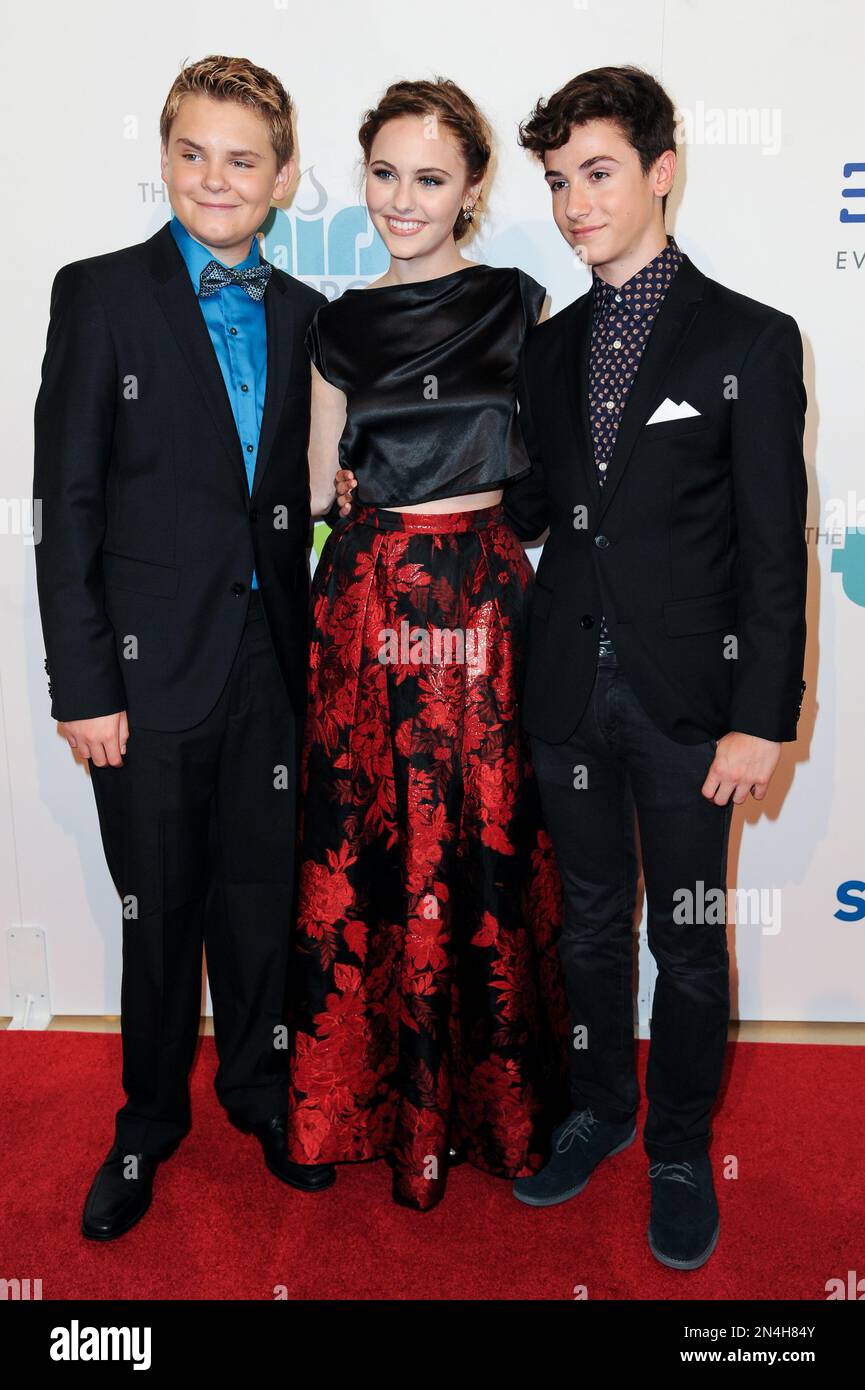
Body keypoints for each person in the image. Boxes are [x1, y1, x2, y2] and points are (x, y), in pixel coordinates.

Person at [499, 66, 807, 1269]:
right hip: (567, 691)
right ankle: (600, 1111)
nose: (576, 202)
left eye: (599, 172)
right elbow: (529, 502)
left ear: (661, 170)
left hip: (694, 708)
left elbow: (775, 551)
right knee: (584, 926)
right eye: (559, 180)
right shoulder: (549, 343)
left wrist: (759, 716)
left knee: (684, 932)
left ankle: (679, 1145)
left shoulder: (751, 337)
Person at [33, 55, 326, 1240]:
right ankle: (148, 1121)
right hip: (147, 678)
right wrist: (85, 680)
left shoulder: (308, 314)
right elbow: (68, 504)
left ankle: (258, 1090)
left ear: (282, 175)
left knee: (262, 903)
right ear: (164, 159)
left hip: (273, 664)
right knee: (160, 914)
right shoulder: (99, 293)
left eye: (242, 159)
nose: (216, 178)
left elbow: (300, 488)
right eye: (194, 154)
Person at [286, 78, 570, 1212]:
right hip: (365, 596)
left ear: (471, 190)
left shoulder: (518, 303)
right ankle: (350, 1098)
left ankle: (483, 1109)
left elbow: (546, 474)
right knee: (366, 841)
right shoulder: (336, 321)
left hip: (483, 603)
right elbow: (316, 482)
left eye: (431, 178)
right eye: (386, 173)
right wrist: (342, 491)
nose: (402, 199)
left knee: (481, 842)